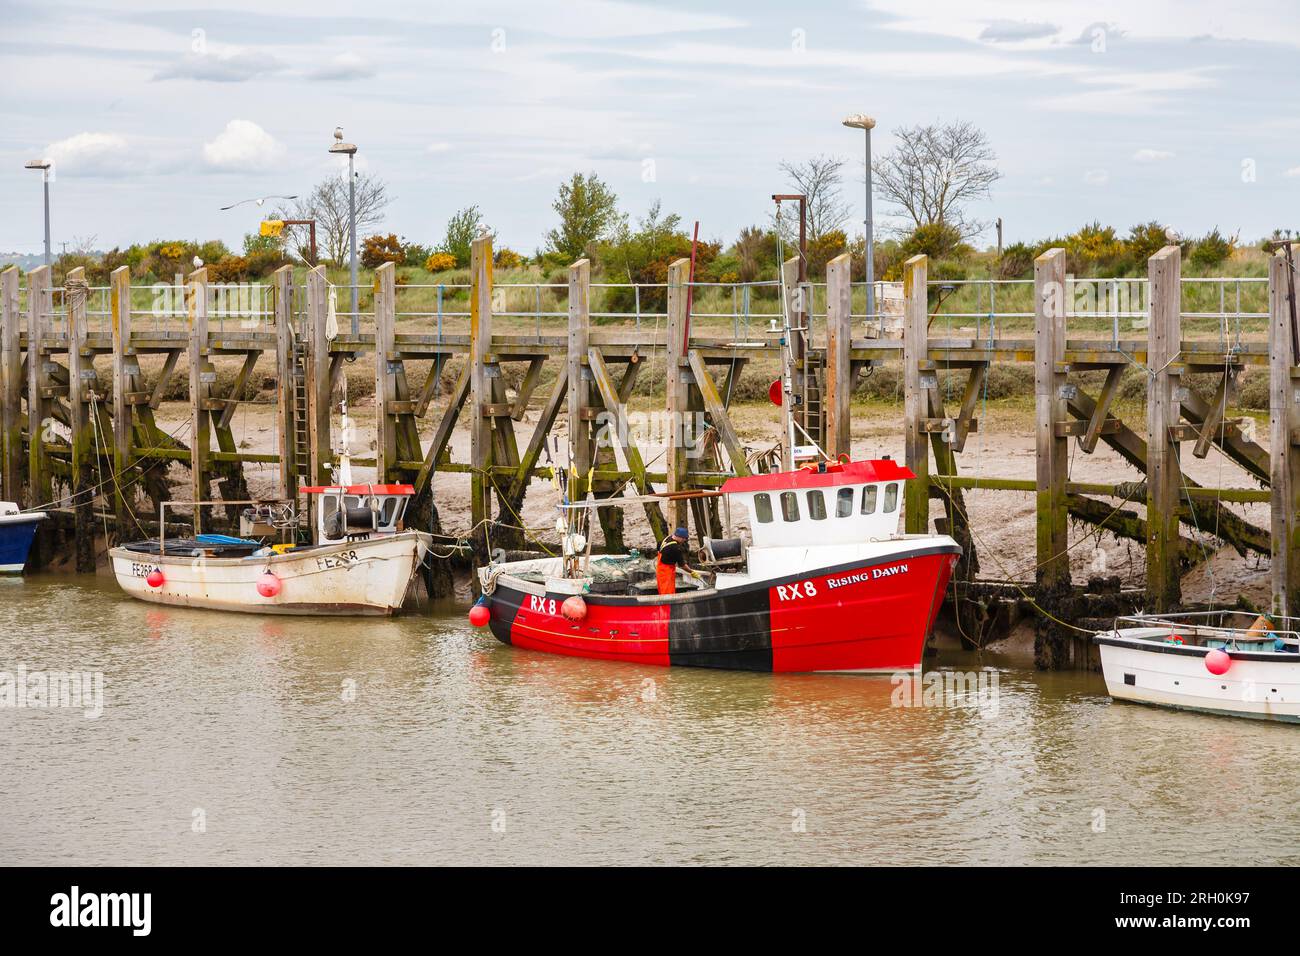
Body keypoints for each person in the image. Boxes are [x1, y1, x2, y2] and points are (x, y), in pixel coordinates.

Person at [655, 527, 696, 595]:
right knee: (668, 594)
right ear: (680, 537)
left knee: (662, 591)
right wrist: (692, 572)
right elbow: (682, 565)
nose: (684, 541)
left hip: (660, 570)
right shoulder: (676, 548)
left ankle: (662, 604)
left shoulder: (666, 539)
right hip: (666, 573)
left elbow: (658, 546)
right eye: (684, 539)